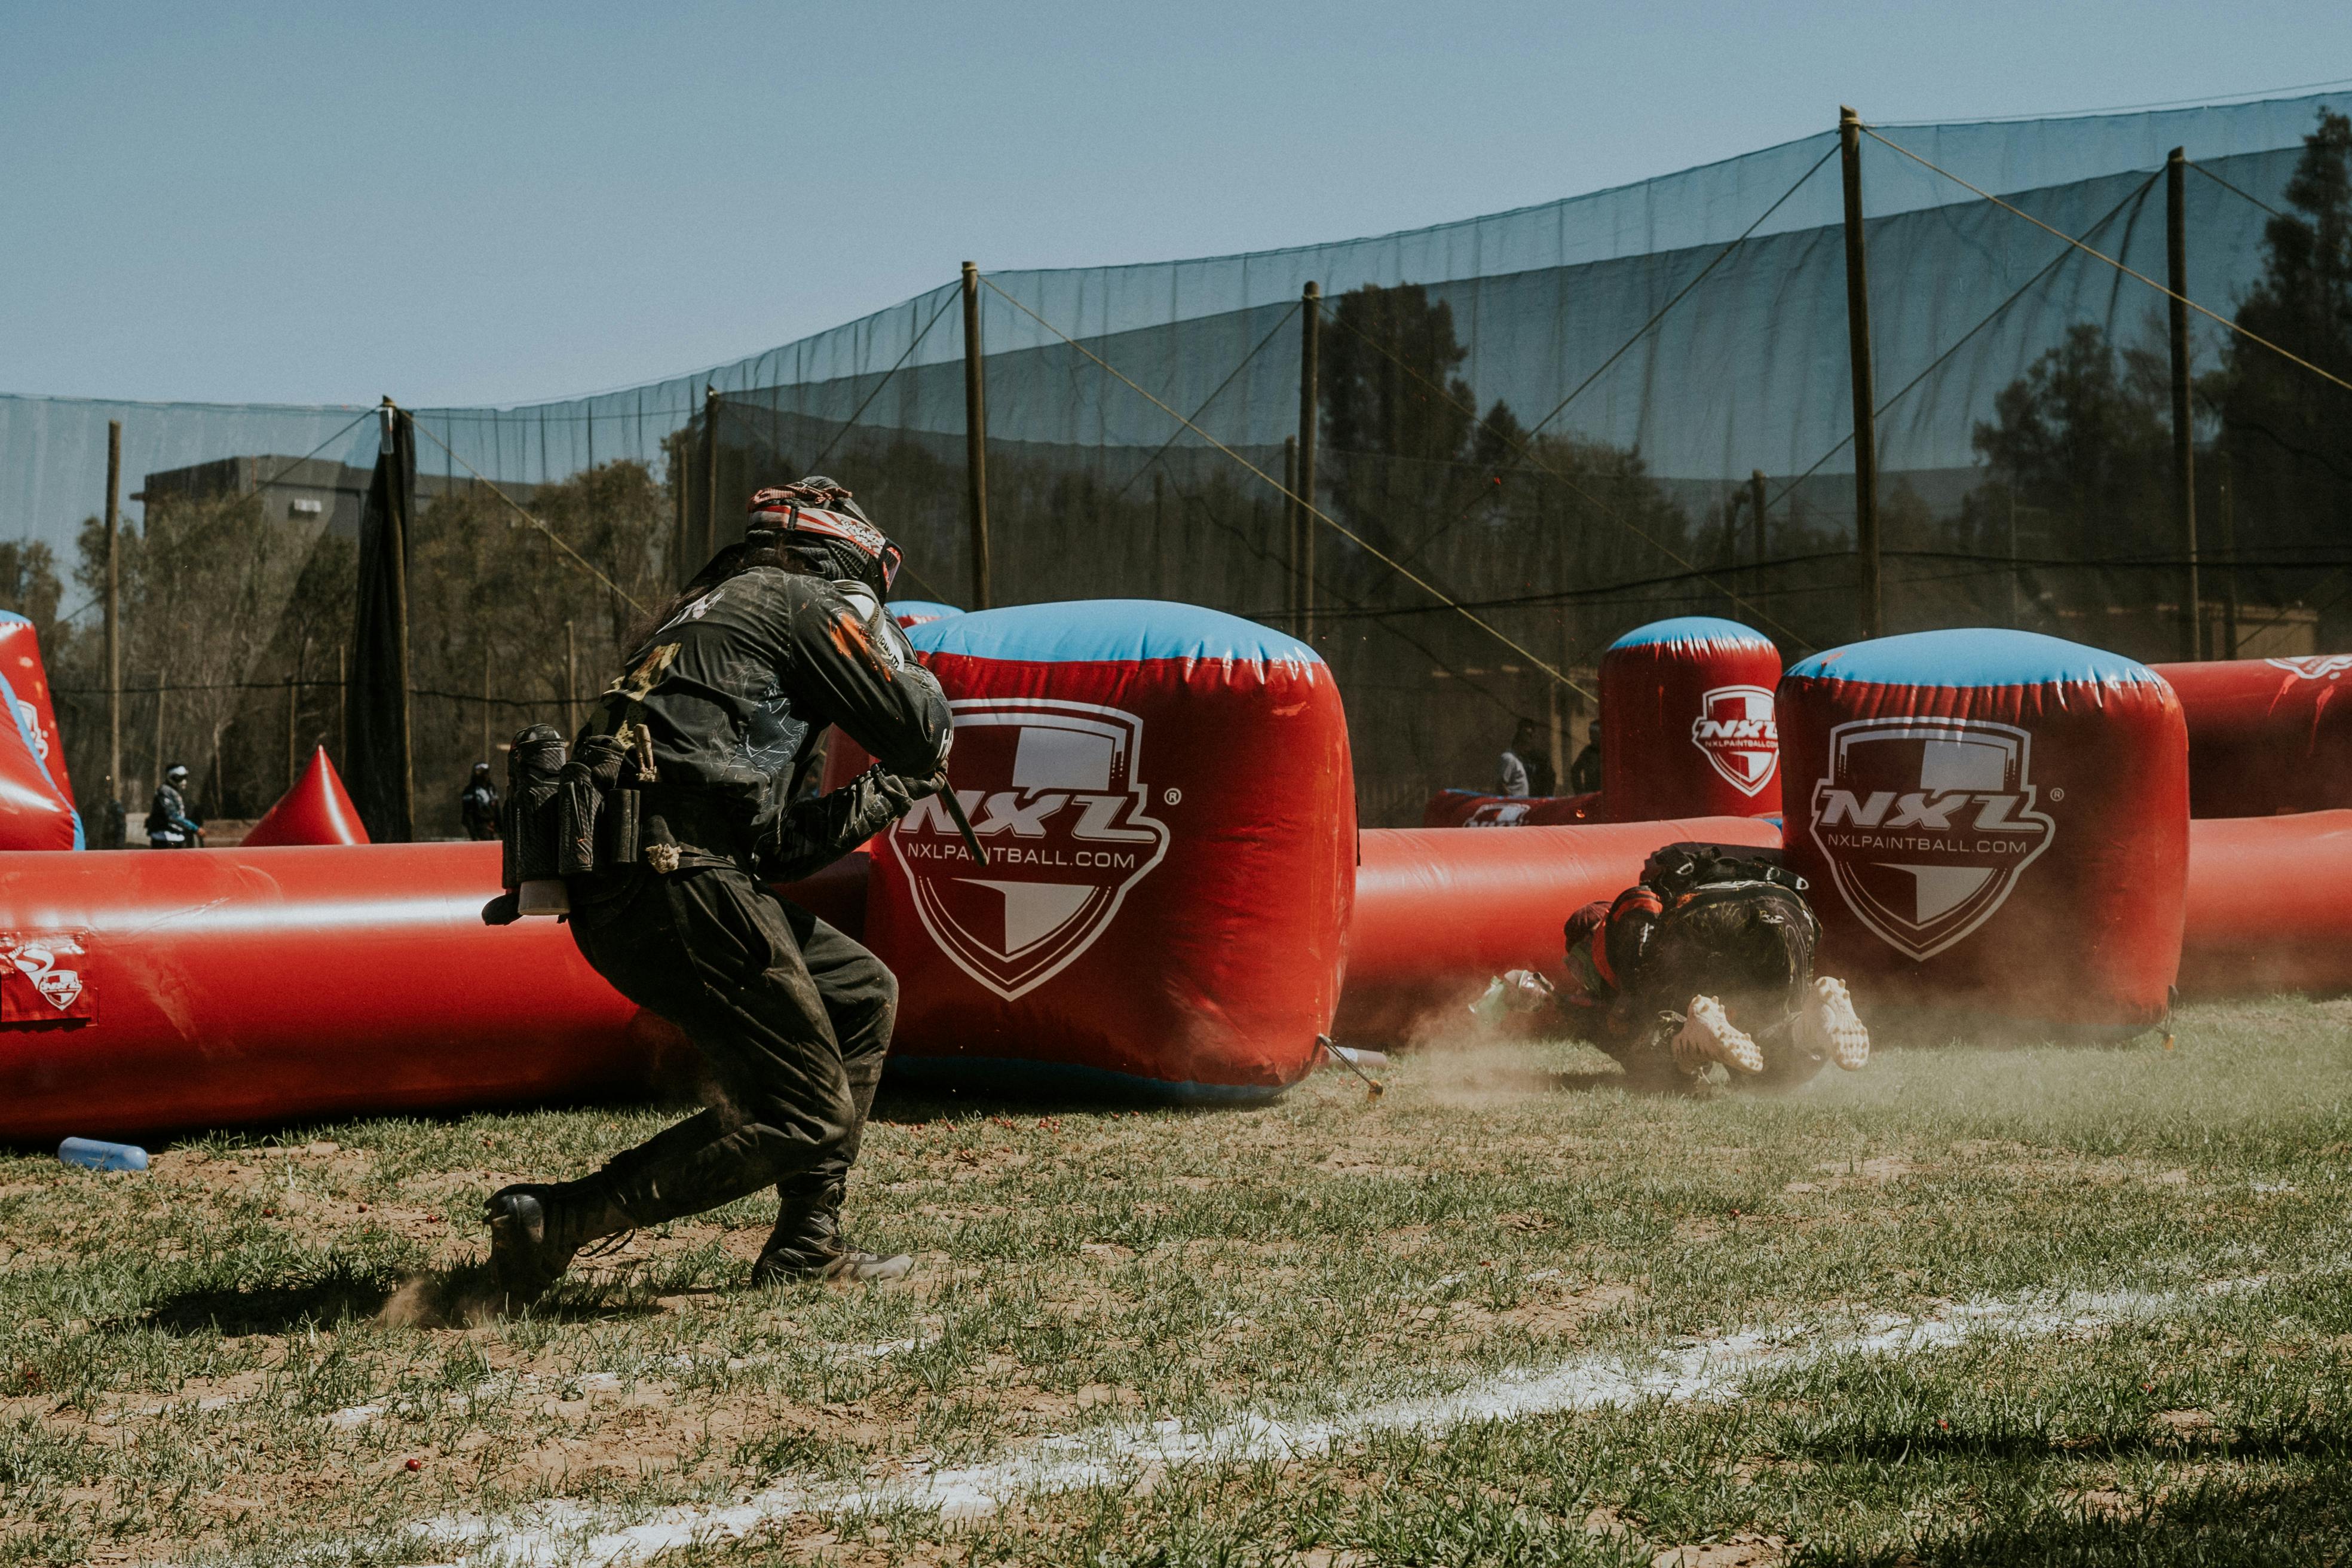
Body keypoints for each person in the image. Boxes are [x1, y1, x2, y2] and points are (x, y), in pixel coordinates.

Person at [482, 476, 953, 1309]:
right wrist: (889, 653)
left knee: (859, 993)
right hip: (675, 875)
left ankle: (809, 1242)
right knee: (810, 1114)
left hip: (649, 883)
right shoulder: (794, 601)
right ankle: (559, 1220)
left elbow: (772, 847)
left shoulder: (714, 622)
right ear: (841, 559)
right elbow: (922, 722)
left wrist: (888, 792)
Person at [1495, 843, 1869, 1087]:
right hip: (1789, 913)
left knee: (1644, 1044)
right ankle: (1812, 1024)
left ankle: (1693, 1040)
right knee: (1767, 1070)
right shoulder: (1678, 883)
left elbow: (1639, 905)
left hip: (1709, 917)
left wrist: (1629, 995)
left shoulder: (1614, 922)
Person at [146, 764, 203, 849]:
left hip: (176, 837)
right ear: (171, 777)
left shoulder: (175, 792)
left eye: (185, 777)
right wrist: (195, 828)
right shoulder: (165, 791)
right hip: (164, 838)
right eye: (179, 778)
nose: (183, 781)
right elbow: (172, 816)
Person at [1498, 718, 1555, 798]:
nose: (1527, 749)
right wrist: (1512, 801)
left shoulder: (1523, 759)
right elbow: (1501, 785)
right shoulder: (1509, 758)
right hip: (1516, 805)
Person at [460, 762, 501, 841]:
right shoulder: (470, 791)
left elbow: (497, 809)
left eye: (486, 773)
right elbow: (468, 814)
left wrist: (501, 829)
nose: (485, 776)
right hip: (480, 827)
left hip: (493, 826)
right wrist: (474, 835)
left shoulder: (491, 788)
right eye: (482, 774)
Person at [1567, 732, 1602, 796]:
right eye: (1591, 734)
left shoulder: (1609, 750)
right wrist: (1580, 792)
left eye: (1594, 734)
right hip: (1591, 793)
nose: (1591, 737)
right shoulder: (1588, 751)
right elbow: (1575, 770)